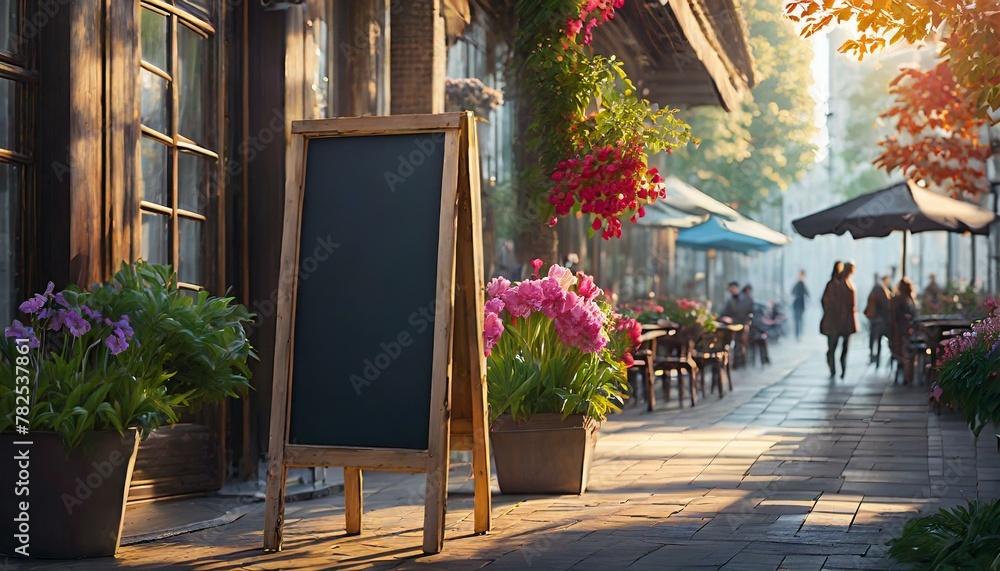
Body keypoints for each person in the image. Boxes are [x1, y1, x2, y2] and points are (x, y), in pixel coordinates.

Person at [821, 261, 857, 378]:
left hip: (844, 322)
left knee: (843, 347)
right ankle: (834, 368)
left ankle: (841, 369)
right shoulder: (834, 285)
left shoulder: (848, 283)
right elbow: (827, 302)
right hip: (835, 322)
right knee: (833, 347)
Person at [890, 278, 918, 384]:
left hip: (899, 331)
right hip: (906, 330)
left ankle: (907, 376)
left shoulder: (897, 299)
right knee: (908, 353)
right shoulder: (907, 299)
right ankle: (908, 376)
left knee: (904, 352)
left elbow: (892, 317)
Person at [864, 274, 892, 368]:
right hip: (880, 320)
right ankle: (876, 359)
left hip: (875, 320)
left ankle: (874, 357)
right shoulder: (881, 289)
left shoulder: (876, 288)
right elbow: (886, 305)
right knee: (877, 340)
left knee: (874, 339)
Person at [791, 270, 809, 341]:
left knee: (800, 320)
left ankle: (799, 335)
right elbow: (792, 293)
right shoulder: (798, 284)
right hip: (797, 305)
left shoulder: (802, 284)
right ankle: (797, 335)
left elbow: (807, 294)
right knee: (797, 321)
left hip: (800, 305)